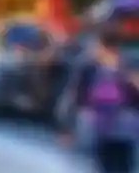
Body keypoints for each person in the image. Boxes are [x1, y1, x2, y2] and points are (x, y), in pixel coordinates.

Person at [59, 27, 139, 173]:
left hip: (117, 129)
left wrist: (67, 128)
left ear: (101, 44)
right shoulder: (89, 67)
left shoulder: (126, 65)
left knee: (118, 165)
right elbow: (75, 97)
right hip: (107, 129)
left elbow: (74, 97)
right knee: (109, 165)